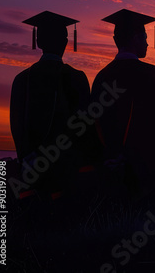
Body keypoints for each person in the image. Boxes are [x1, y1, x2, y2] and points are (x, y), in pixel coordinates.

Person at [10, 11, 94, 199]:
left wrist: (26, 157)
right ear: (66, 42)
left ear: (38, 42)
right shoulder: (77, 78)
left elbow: (16, 125)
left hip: (34, 167)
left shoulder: (22, 80)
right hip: (68, 167)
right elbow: (86, 125)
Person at [92, 9, 155, 196]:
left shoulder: (102, 77)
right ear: (135, 38)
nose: (147, 43)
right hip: (145, 170)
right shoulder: (152, 74)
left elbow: (94, 122)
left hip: (111, 169)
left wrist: (110, 155)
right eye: (144, 37)